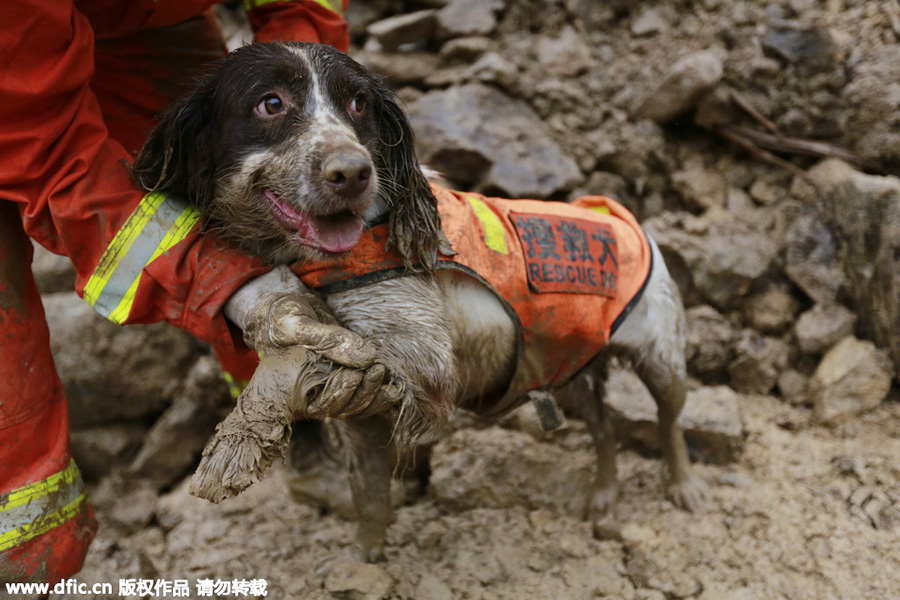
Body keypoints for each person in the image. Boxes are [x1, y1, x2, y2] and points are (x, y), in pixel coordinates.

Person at [0, 0, 381, 584]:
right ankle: (22, 569)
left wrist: (301, 87)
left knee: (238, 187)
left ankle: (305, 435)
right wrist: (229, 286)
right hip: (13, 48)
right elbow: (51, 161)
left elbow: (306, 7)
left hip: (143, 17)